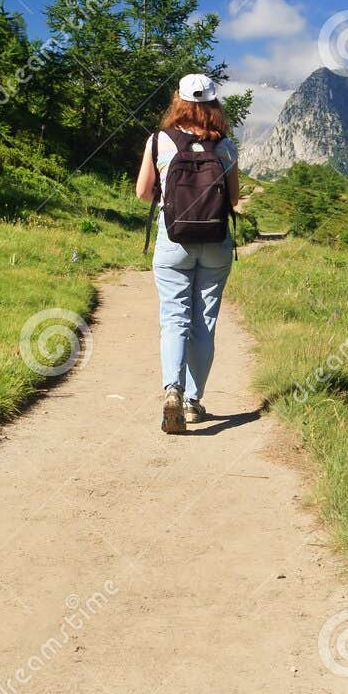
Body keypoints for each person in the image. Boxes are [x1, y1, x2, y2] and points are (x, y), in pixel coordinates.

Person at [135, 74, 241, 434]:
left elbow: (142, 192)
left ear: (177, 100)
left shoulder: (159, 141)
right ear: (214, 104)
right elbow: (235, 199)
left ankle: (172, 392)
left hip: (173, 238)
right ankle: (195, 403)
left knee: (175, 317)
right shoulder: (225, 146)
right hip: (215, 240)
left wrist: (173, 205)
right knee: (205, 321)